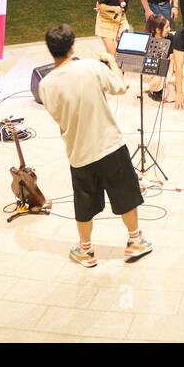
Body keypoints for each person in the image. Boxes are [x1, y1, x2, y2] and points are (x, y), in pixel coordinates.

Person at [36, 25, 153, 267]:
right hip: (110, 144)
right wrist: (110, 62)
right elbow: (120, 87)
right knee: (125, 194)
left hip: (79, 151)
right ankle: (135, 241)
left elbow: (57, 116)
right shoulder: (90, 67)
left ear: (50, 50)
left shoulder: (45, 85)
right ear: (72, 46)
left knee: (84, 202)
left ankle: (86, 250)